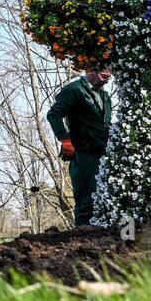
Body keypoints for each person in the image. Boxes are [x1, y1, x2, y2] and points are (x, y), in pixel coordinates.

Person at [46, 68, 113, 227]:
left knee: (104, 200)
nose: (106, 80)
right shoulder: (74, 90)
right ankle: (82, 243)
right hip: (83, 154)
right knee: (86, 201)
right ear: (91, 71)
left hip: (103, 155)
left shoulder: (105, 96)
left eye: (109, 78)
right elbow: (54, 114)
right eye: (104, 76)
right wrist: (65, 140)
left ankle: (102, 241)